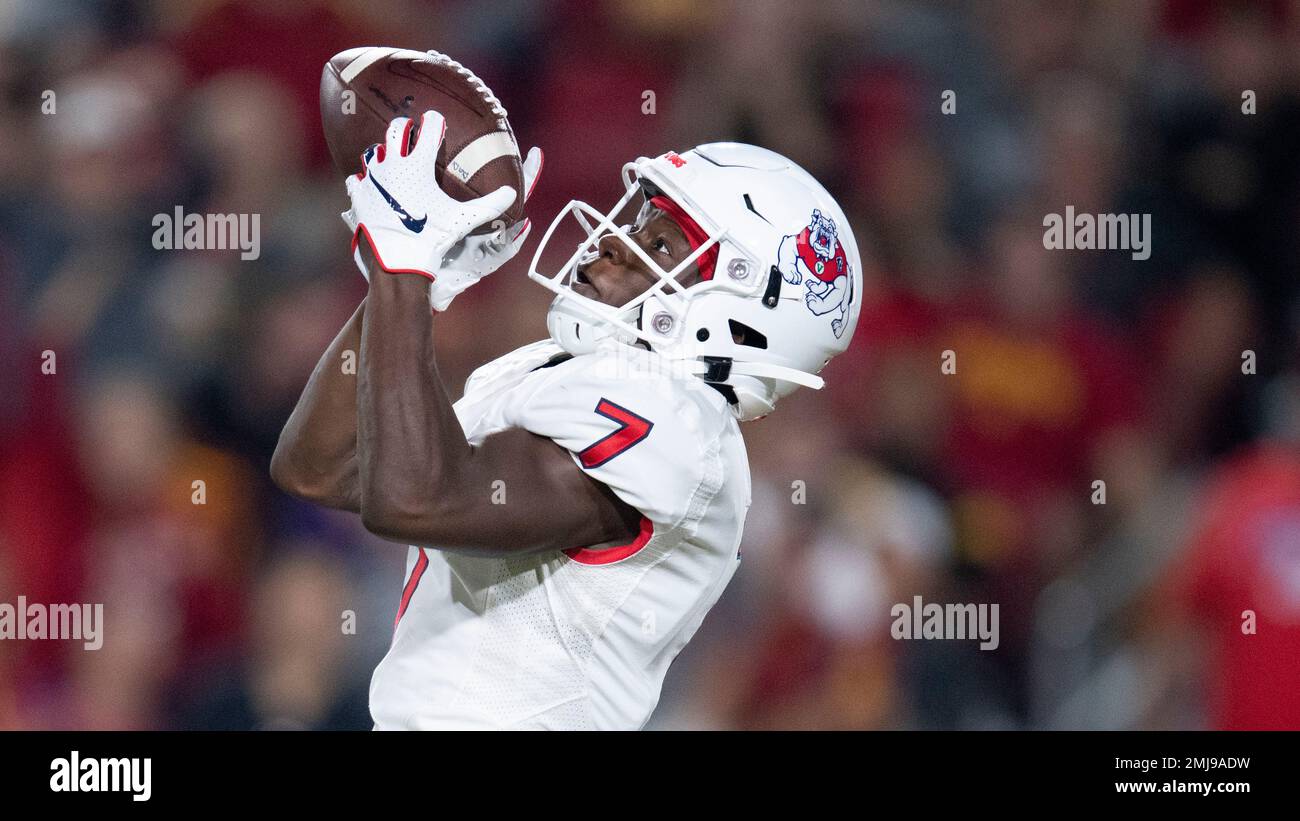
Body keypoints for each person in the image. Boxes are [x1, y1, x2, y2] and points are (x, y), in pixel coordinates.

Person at [271, 109, 863, 729]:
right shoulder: (556, 369)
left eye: (660, 242)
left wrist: (405, 271)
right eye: (638, 220)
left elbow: (417, 499)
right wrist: (418, 281)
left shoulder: (679, 424)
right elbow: (322, 468)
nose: (614, 240)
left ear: (745, 311)